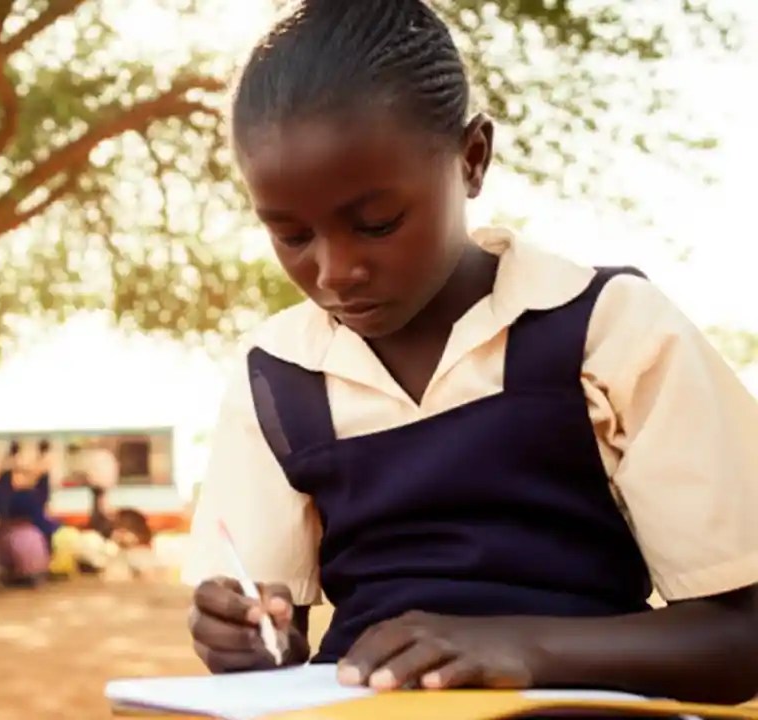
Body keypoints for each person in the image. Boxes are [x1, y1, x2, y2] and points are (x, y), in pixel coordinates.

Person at [183, 0, 758, 704]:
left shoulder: (606, 330)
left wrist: (520, 645)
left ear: (473, 158)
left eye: (377, 223)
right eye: (292, 236)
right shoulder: (278, 375)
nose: (333, 272)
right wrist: (244, 639)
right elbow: (272, 646)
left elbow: (741, 638)